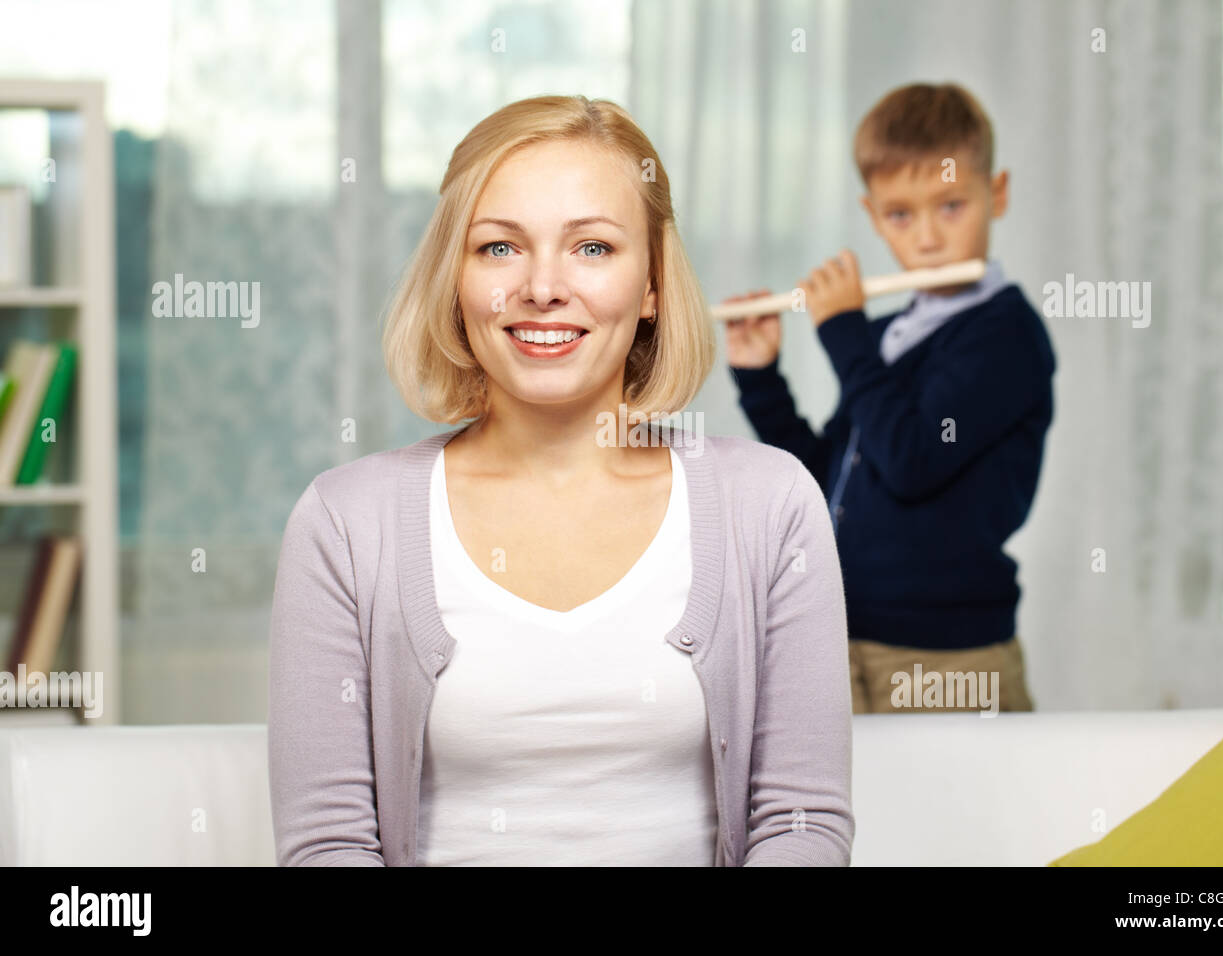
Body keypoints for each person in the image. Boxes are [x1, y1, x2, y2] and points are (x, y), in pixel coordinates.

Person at [267, 94, 853, 866]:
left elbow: (802, 826)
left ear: (651, 287)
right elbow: (327, 846)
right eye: (500, 248)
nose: (542, 287)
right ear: (455, 280)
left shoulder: (773, 506)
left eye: (594, 248)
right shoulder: (343, 525)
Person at [725, 82, 1056, 716]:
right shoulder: (884, 339)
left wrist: (843, 332)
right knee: (863, 817)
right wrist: (761, 377)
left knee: (954, 816)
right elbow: (824, 481)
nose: (928, 237)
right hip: (843, 635)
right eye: (901, 214)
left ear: (999, 194)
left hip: (948, 654)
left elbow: (914, 458)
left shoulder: (1006, 336)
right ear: (874, 216)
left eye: (952, 205)